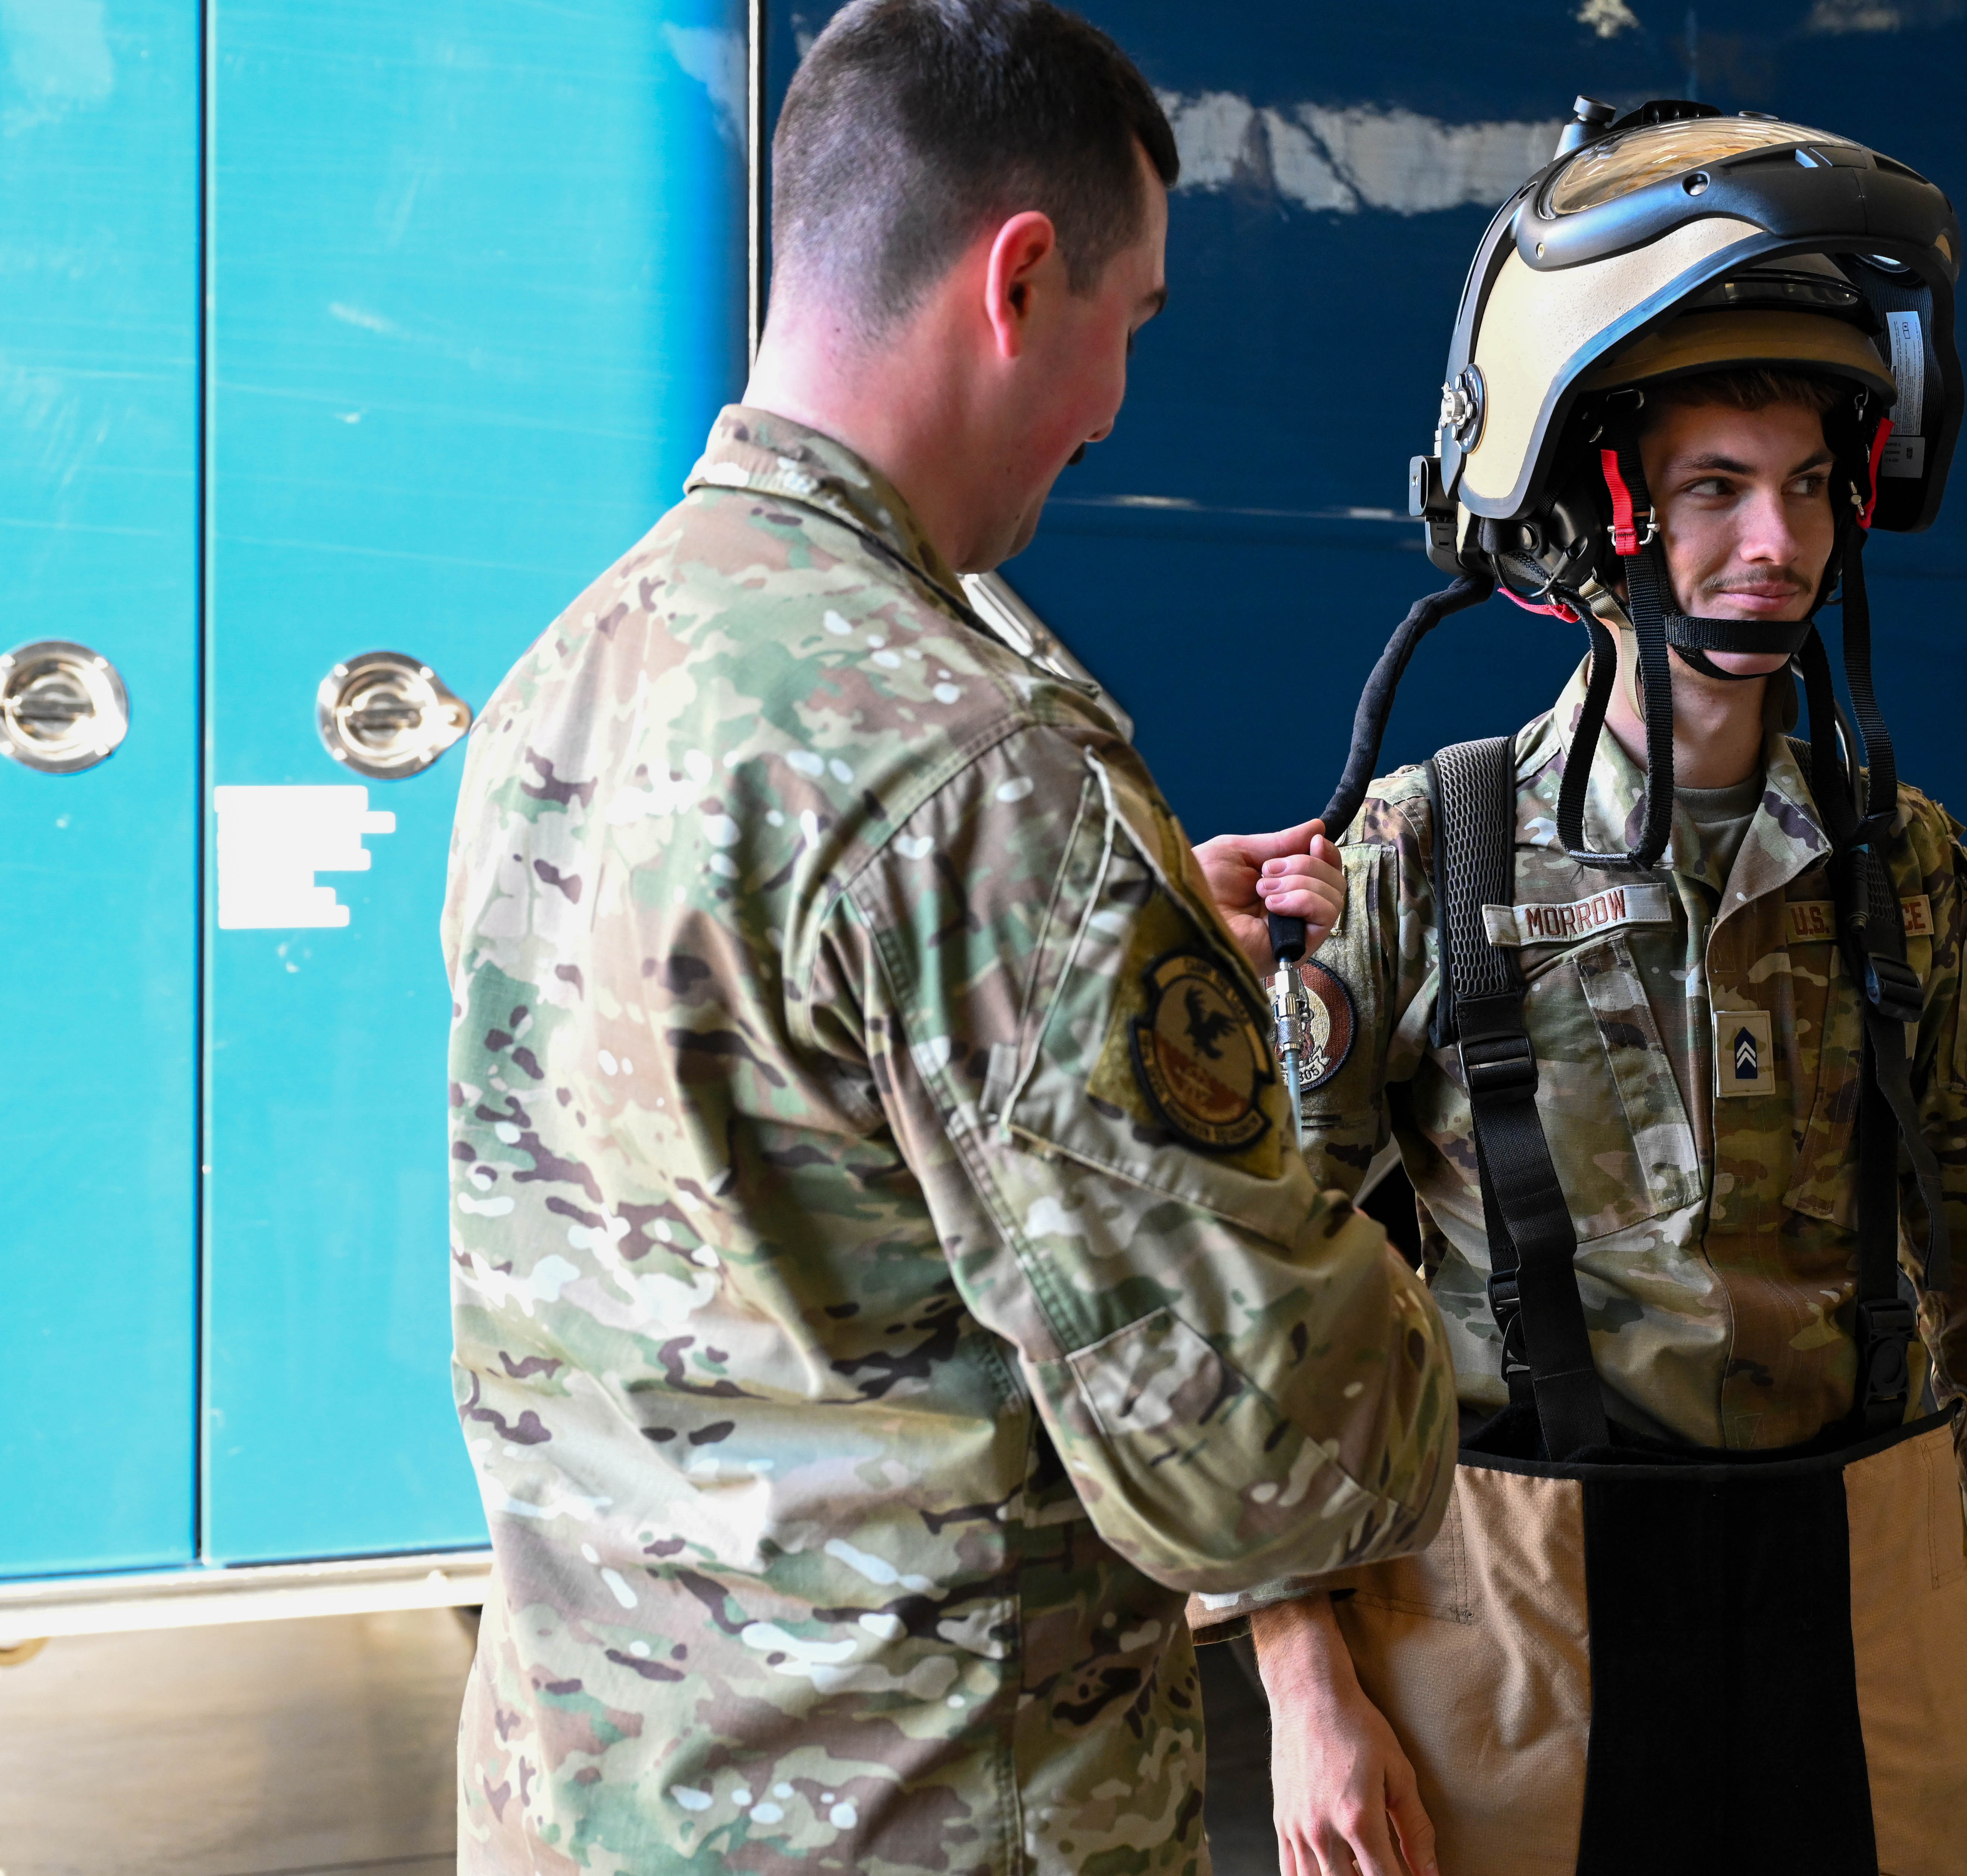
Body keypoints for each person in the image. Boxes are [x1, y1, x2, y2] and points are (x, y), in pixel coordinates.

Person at [439, 5, 1455, 1870]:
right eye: (1130, 325)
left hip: (594, 1799)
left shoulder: (570, 677)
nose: (1115, 407)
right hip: (917, 1815)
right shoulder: (977, 764)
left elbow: (780, 1136)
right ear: (1021, 276)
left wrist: (1135, 961)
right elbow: (1259, 1460)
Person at [1196, 105, 1967, 1876]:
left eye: (1803, 487)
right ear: (1606, 511)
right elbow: (1261, 1268)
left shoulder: (1905, 868)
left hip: (1866, 1614)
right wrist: (1299, 1672)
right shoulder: (1424, 849)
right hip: (1517, 1626)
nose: (1770, 543)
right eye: (1712, 488)